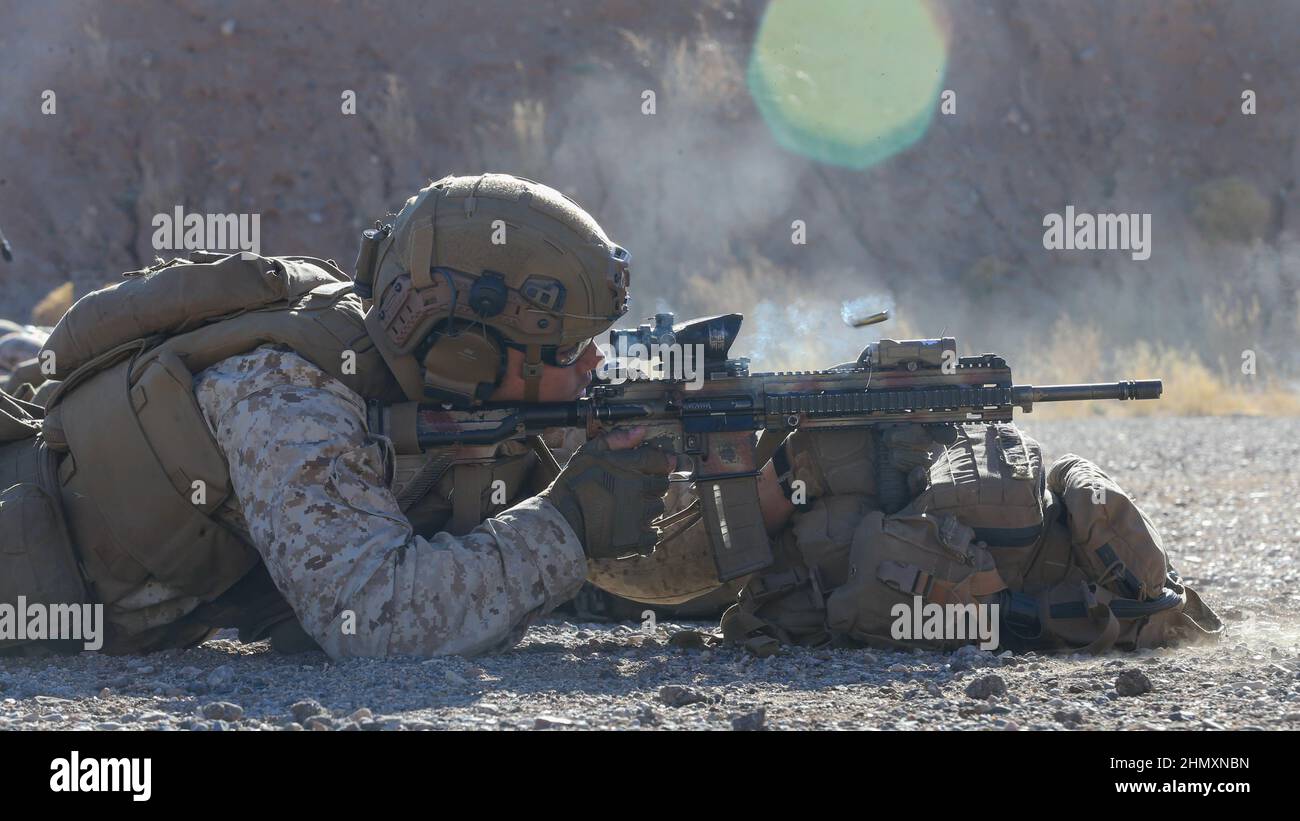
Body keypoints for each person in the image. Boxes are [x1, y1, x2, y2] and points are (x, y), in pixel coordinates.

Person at [0, 173, 673, 658]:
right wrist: (570, 522)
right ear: (469, 350)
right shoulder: (288, 394)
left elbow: (611, 551)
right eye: (572, 349)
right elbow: (375, 617)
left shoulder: (449, 387)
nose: (594, 366)